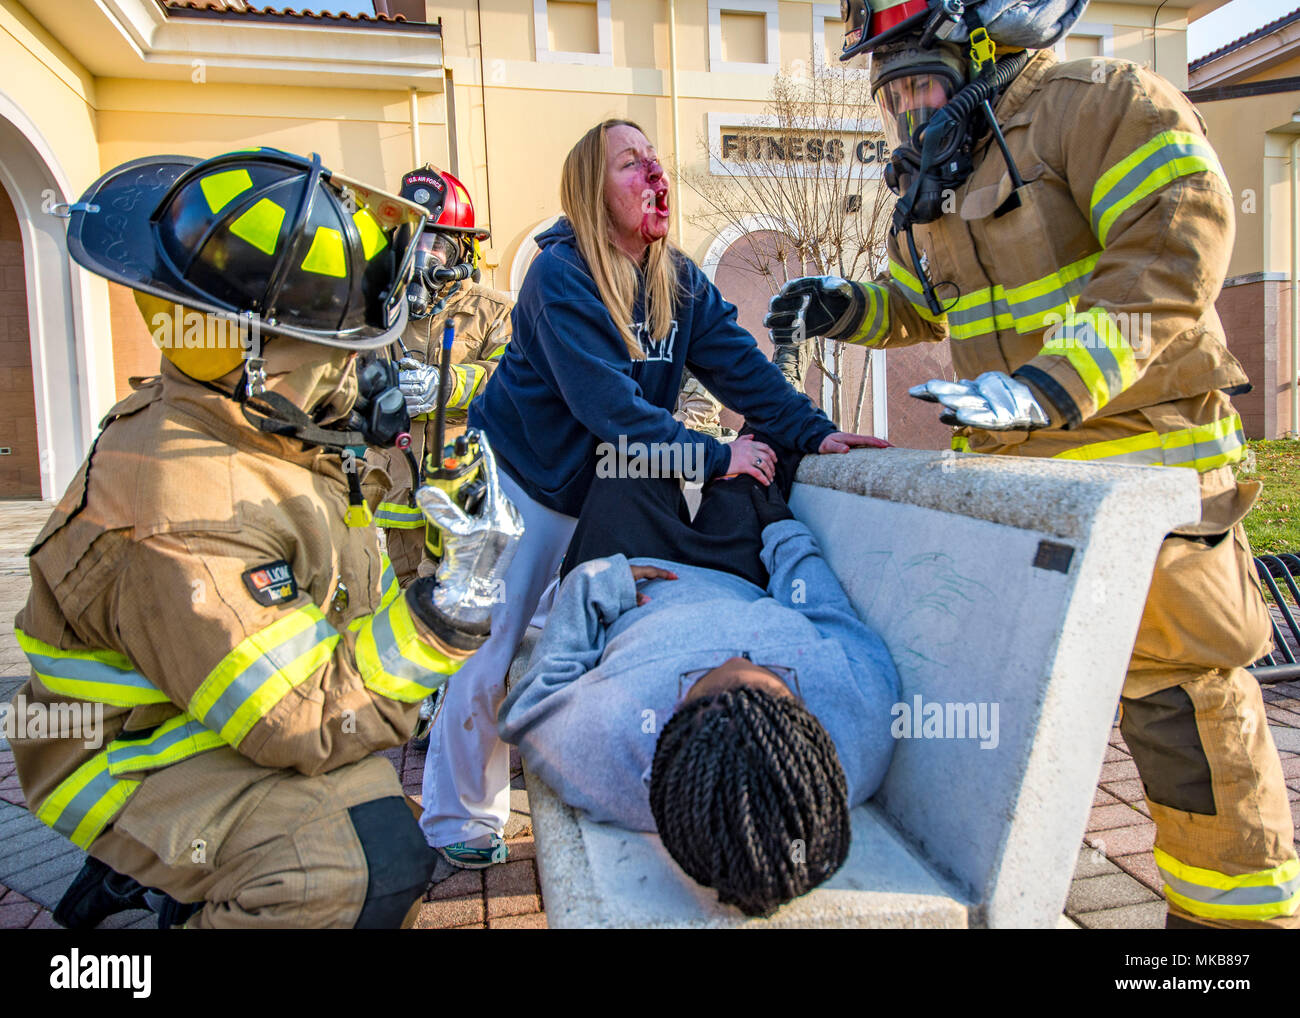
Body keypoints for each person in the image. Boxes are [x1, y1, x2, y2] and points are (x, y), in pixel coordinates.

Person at [767, 0, 1297, 928]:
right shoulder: (949, 166)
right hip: (1024, 490)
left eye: (921, 86)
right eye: (894, 98)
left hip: (1145, 475)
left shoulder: (1102, 104)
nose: (910, 116)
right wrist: (848, 306)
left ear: (986, 44)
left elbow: (1174, 245)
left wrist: (1050, 387)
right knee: (1007, 702)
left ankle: (1228, 932)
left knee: (1179, 708)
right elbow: (925, 300)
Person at [8, 148, 522, 929]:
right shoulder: (189, 508)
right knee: (355, 865)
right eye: (341, 357)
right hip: (121, 754)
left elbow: (326, 566)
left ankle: (170, 876)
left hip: (186, 708)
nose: (362, 380)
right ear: (258, 359)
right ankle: (161, 876)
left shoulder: (249, 422)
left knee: (370, 806)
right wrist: (448, 610)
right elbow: (303, 715)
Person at [419, 117, 887, 869]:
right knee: (489, 645)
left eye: (656, 161)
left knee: (588, 632)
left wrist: (817, 433)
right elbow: (611, 410)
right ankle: (460, 822)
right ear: (592, 190)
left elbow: (743, 370)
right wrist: (718, 456)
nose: (655, 174)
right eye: (631, 164)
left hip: (600, 483)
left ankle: (591, 767)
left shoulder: (679, 280)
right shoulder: (560, 275)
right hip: (522, 482)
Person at [499, 432, 899, 916]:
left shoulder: (606, 749)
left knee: (627, 457)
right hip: (740, 573)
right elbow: (828, 611)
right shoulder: (858, 726)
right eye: (767, 675)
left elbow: (531, 702)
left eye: (704, 685)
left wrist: (597, 586)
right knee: (762, 451)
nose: (732, 658)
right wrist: (783, 532)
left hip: (632, 572)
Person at [371, 165, 513, 587]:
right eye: (414, 240)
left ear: (462, 253)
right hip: (397, 490)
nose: (422, 255)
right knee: (408, 599)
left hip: (463, 487)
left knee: (461, 597)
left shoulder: (495, 312)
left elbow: (514, 380)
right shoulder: (378, 311)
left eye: (436, 244)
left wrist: (444, 385)